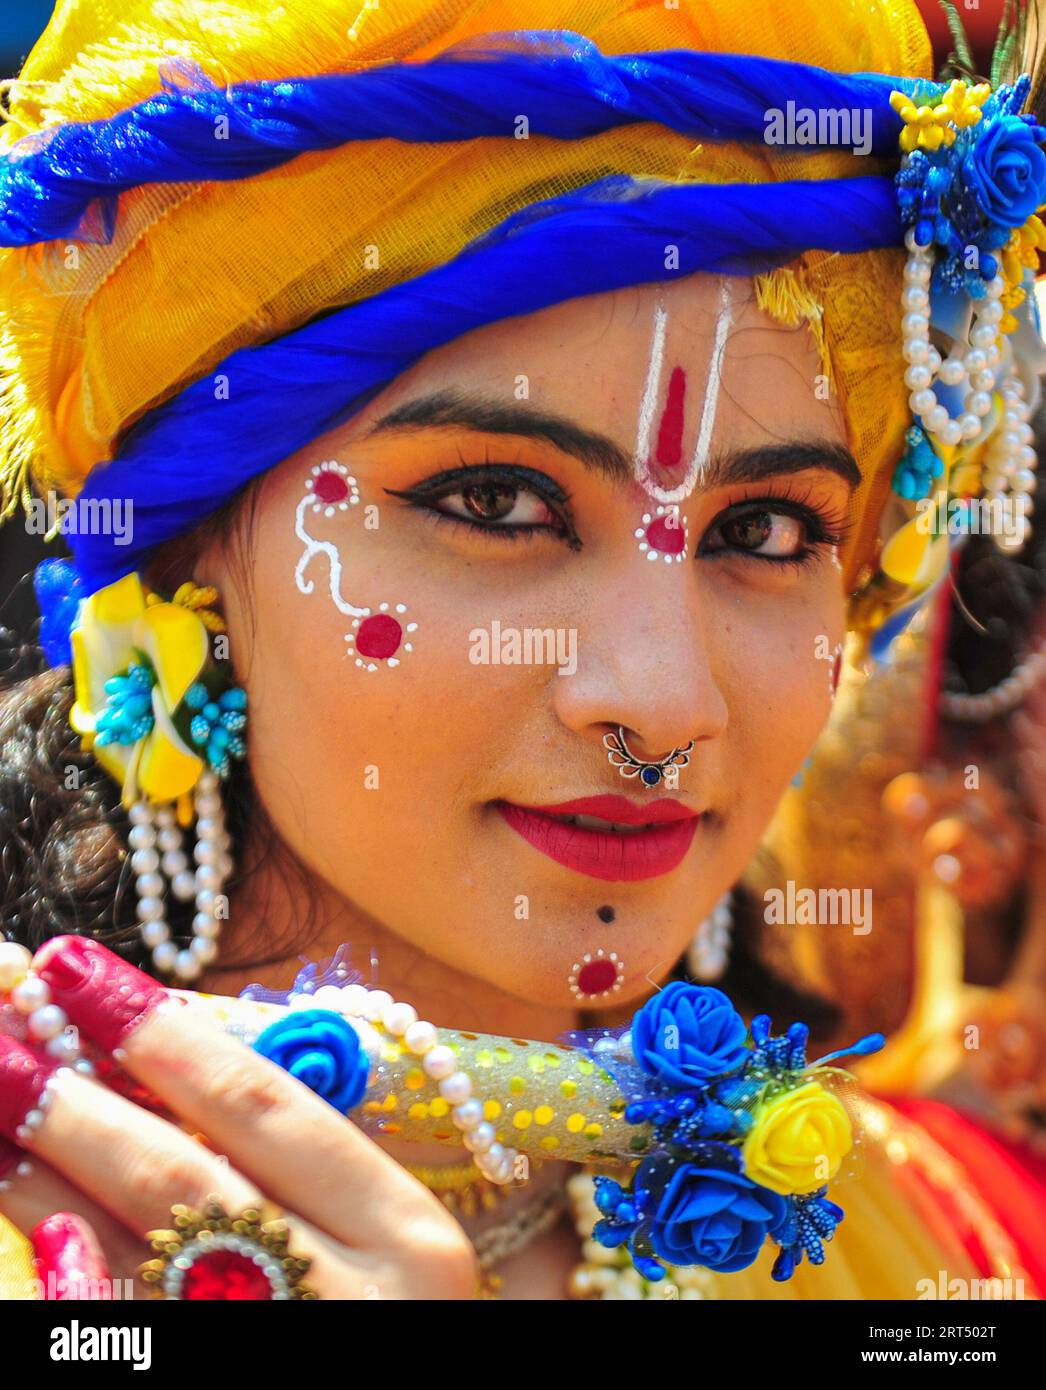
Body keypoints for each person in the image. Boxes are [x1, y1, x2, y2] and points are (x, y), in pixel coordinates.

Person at [0, 0, 1043, 1299]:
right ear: (185, 544)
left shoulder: (958, 1245)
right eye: (494, 503)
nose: (659, 704)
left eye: (765, 529)